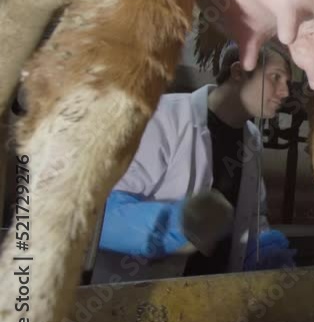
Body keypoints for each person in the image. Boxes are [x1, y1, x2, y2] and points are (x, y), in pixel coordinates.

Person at [89, 41, 297, 283]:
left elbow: (253, 217)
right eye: (276, 77)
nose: (285, 92)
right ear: (239, 72)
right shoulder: (164, 117)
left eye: (287, 83)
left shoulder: (252, 138)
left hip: (209, 294)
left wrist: (264, 252)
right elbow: (102, 213)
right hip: (136, 295)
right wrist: (182, 226)